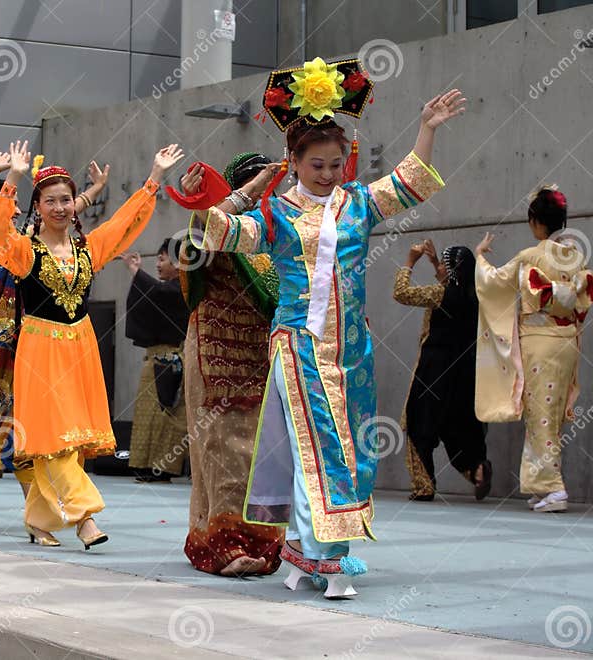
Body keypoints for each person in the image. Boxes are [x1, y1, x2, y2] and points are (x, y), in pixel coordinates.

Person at [187, 56, 464, 596]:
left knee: (345, 447)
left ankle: (301, 550)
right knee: (323, 445)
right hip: (298, 343)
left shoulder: (357, 204)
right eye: (317, 164)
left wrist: (427, 128)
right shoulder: (276, 214)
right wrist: (208, 198)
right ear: (293, 162)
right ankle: (326, 555)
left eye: (336, 163)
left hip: (353, 349)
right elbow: (223, 233)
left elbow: (409, 182)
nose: (328, 173)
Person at [0, 140, 184, 548]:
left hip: (80, 346)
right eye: (51, 201)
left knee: (68, 437)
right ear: (37, 206)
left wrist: (155, 176)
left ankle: (39, 520)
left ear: (77, 204)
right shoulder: (23, 252)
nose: (60, 207)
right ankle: (85, 517)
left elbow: (125, 222)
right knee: (53, 435)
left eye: (66, 200)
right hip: (40, 350)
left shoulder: (89, 249)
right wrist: (14, 177)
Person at [0, 152, 108, 532]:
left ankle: (36, 512)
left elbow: (59, 209)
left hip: (20, 346)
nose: (16, 210)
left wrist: (93, 190)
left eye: (16, 205)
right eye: (9, 202)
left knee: (26, 429)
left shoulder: (24, 243)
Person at [176, 152, 285, 577]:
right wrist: (244, 196)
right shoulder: (217, 222)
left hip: (264, 353)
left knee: (264, 454)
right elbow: (193, 245)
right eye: (260, 187)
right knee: (221, 452)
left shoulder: (276, 232)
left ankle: (263, 544)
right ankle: (222, 545)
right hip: (215, 353)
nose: (266, 197)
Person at [475, 186, 592, 513]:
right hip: (566, 341)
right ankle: (542, 484)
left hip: (539, 343)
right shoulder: (576, 256)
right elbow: (578, 300)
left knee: (541, 414)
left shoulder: (532, 256)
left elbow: (495, 282)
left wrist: (480, 256)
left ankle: (554, 489)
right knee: (547, 415)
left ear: (536, 222)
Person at [393, 240, 489, 502]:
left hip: (433, 371)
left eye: (444, 266)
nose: (440, 270)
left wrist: (410, 262)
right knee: (458, 424)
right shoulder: (476, 296)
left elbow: (401, 293)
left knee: (417, 423)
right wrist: (436, 261)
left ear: (452, 271)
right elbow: (451, 280)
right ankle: (476, 469)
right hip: (465, 372)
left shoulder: (439, 294)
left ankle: (424, 486)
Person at [122, 239, 189, 483]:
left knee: (166, 417)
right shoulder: (170, 288)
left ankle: (162, 467)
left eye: (163, 259)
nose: (158, 265)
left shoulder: (182, 288)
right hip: (156, 358)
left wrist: (135, 271)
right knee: (149, 415)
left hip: (172, 360)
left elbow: (159, 293)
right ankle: (146, 465)